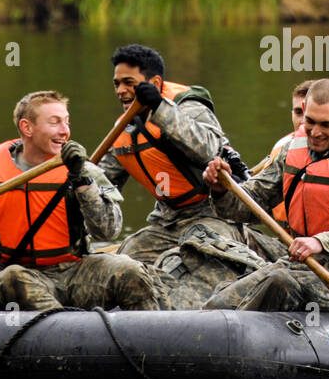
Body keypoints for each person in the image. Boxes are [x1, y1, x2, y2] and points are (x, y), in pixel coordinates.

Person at [0, 90, 164, 311]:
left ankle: (152, 349)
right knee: (10, 279)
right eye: (54, 122)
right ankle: (70, 337)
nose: (65, 131)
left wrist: (81, 181)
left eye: (66, 122)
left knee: (129, 271)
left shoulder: (82, 168)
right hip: (25, 276)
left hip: (75, 273)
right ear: (27, 128)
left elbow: (108, 231)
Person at [200, 78, 329, 311]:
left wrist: (320, 242)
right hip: (298, 265)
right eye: (310, 121)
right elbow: (252, 203)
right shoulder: (293, 150)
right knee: (218, 304)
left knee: (279, 283)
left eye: (326, 125)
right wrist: (222, 189)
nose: (315, 132)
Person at [96, 44, 243, 264]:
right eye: (117, 84)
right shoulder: (122, 130)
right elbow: (102, 181)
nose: (120, 91)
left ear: (154, 83)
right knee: (125, 263)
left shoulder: (189, 106)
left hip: (213, 216)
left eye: (129, 83)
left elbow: (209, 149)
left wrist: (159, 106)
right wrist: (80, 179)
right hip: (167, 222)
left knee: (202, 260)